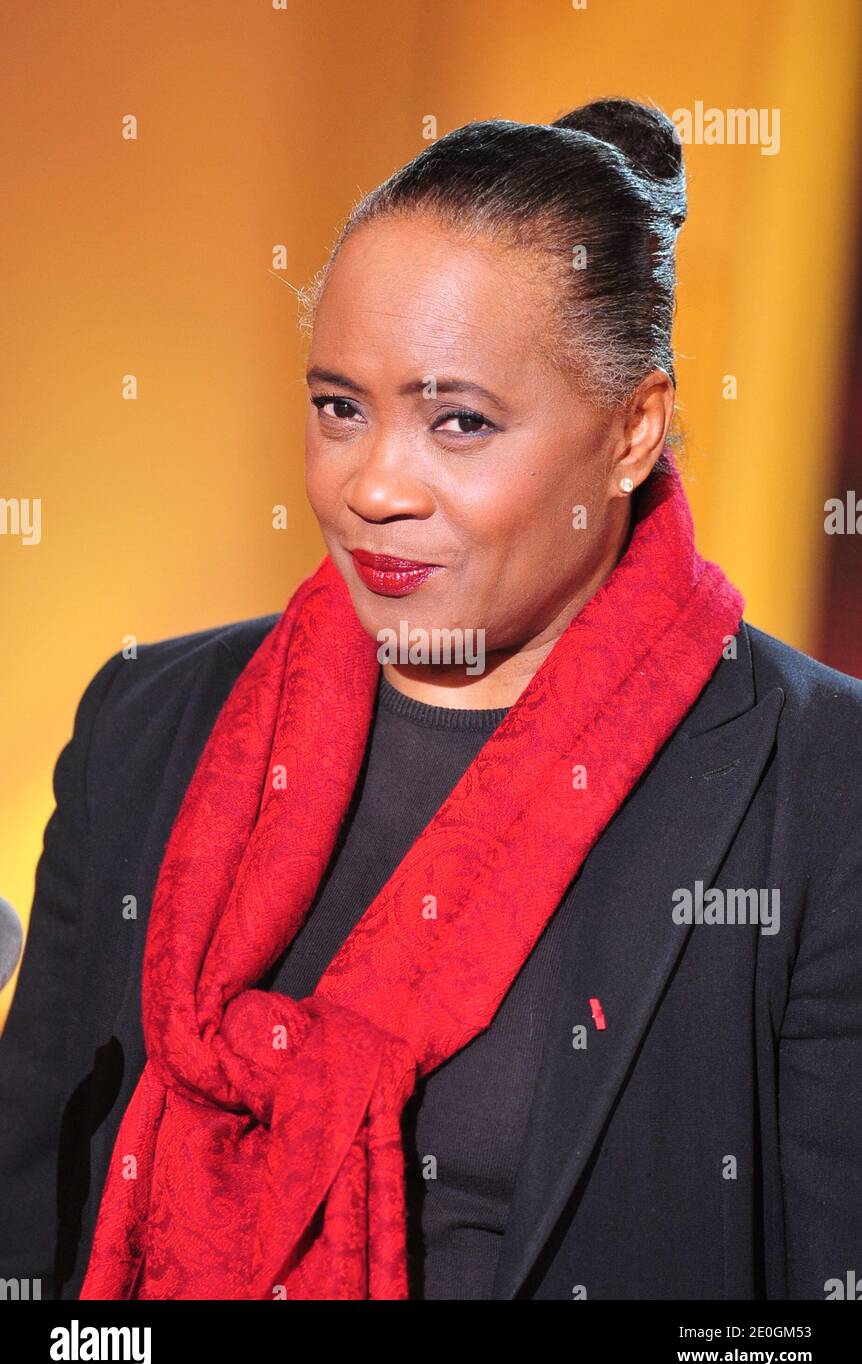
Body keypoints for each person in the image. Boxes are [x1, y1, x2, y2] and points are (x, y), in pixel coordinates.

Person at [1, 97, 861, 1302]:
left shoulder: (817, 781)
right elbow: (24, 1223)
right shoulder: (144, 728)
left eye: (458, 421)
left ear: (632, 432)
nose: (373, 484)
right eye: (339, 407)